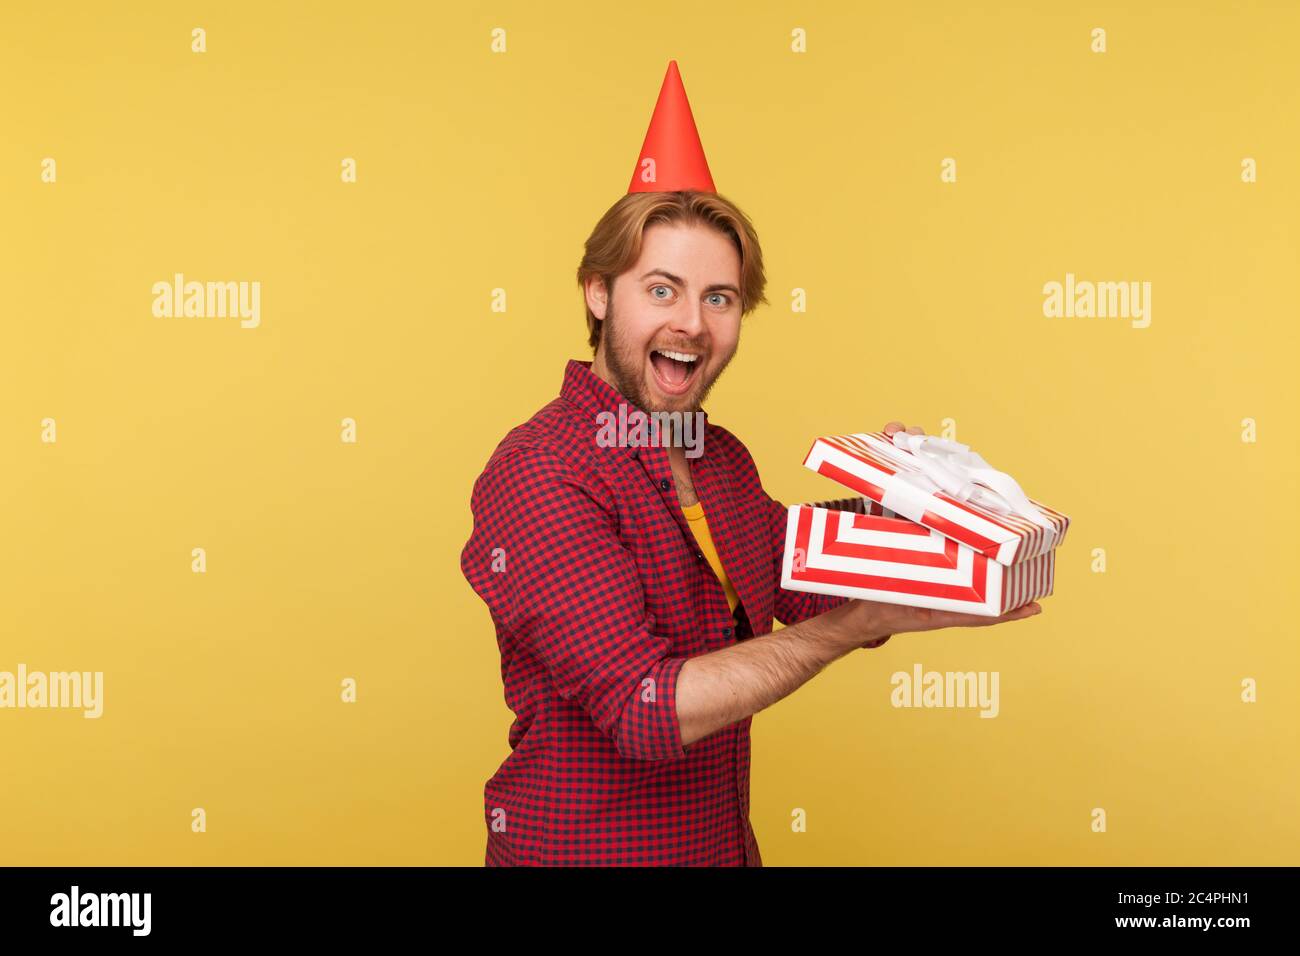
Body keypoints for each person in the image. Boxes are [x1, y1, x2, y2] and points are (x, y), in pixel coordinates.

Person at [460, 61, 1041, 866]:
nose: (692, 324)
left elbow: (798, 577)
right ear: (599, 294)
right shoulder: (542, 472)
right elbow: (645, 708)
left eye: (719, 298)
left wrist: (909, 505)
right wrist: (854, 629)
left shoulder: (716, 456)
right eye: (661, 290)